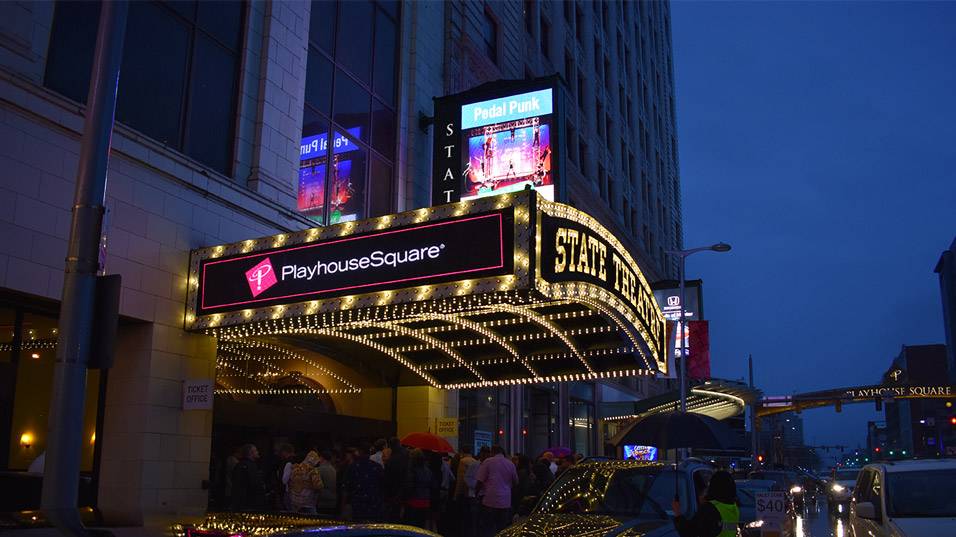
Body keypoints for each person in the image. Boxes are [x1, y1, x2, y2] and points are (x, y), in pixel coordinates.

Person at [672, 471, 739, 537]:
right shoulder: (733, 507)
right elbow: (720, 526)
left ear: (715, 487)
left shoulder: (710, 510)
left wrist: (677, 513)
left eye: (710, 484)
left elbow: (689, 532)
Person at [475, 445, 519, 537]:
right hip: (505, 501)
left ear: (492, 452)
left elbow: (479, 480)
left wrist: (476, 494)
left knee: (488, 527)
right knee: (502, 527)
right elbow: (516, 481)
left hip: (490, 499)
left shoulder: (488, 462)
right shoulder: (510, 463)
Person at [344, 442, 385, 522]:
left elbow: (346, 489)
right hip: (374, 505)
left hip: (358, 505)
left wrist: (344, 506)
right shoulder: (377, 467)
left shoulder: (352, 467)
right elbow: (383, 487)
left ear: (359, 452)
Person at [231, 444, 267, 511]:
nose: (258, 452)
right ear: (251, 453)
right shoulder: (250, 466)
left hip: (242, 500)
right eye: (256, 451)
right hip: (250, 501)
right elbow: (254, 483)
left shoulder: (239, 465)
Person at [402, 448, 433, 528]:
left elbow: (409, 485)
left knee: (412, 525)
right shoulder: (427, 469)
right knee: (421, 524)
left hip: (414, 499)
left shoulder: (412, 469)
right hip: (425, 500)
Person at [454, 446, 481, 537]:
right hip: (475, 493)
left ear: (462, 451)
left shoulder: (462, 461)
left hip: (465, 492)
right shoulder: (475, 461)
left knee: (464, 517)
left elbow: (461, 479)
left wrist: (456, 493)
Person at [384, 437, 408, 522]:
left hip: (393, 491)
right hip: (403, 491)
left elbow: (387, 478)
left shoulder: (392, 460)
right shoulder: (405, 455)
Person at [316, 450, 338, 515]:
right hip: (333, 499)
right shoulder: (333, 469)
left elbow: (317, 486)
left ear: (321, 458)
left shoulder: (319, 470)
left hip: (322, 500)